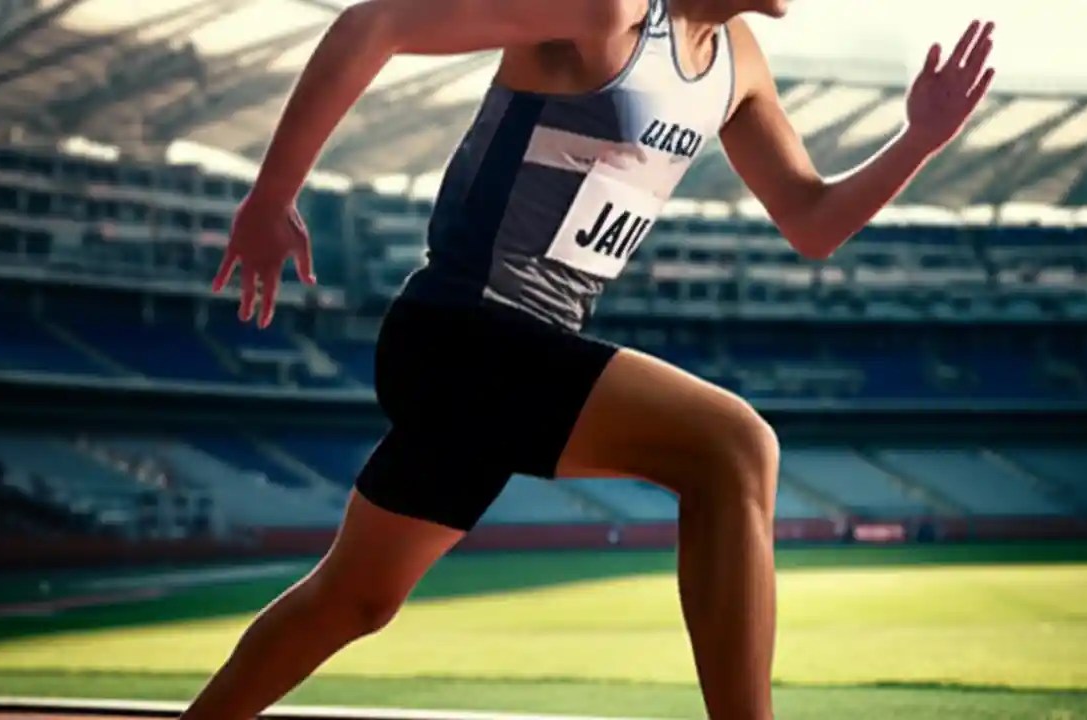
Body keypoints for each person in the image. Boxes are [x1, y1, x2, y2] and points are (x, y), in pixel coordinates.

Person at [197, 0, 995, 717]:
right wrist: (272, 195)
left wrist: (918, 141)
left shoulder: (738, 59)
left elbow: (812, 222)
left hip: (520, 356)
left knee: (355, 601)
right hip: (463, 332)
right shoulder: (604, 11)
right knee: (734, 446)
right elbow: (376, 24)